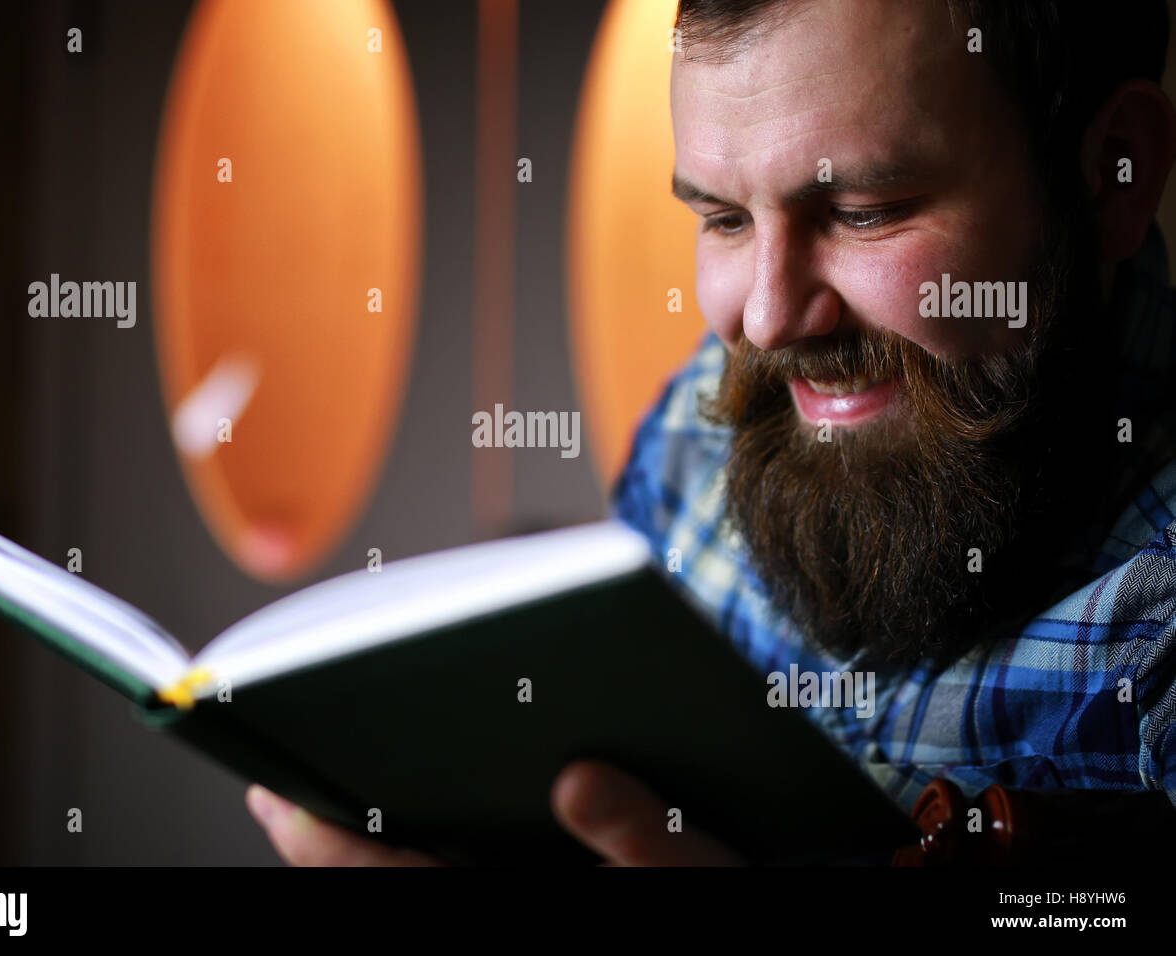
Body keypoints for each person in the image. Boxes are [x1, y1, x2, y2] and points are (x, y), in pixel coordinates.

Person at [247, 0, 1176, 865]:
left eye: (865, 213)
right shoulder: (707, 426)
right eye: (725, 220)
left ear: (1113, 174)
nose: (766, 323)